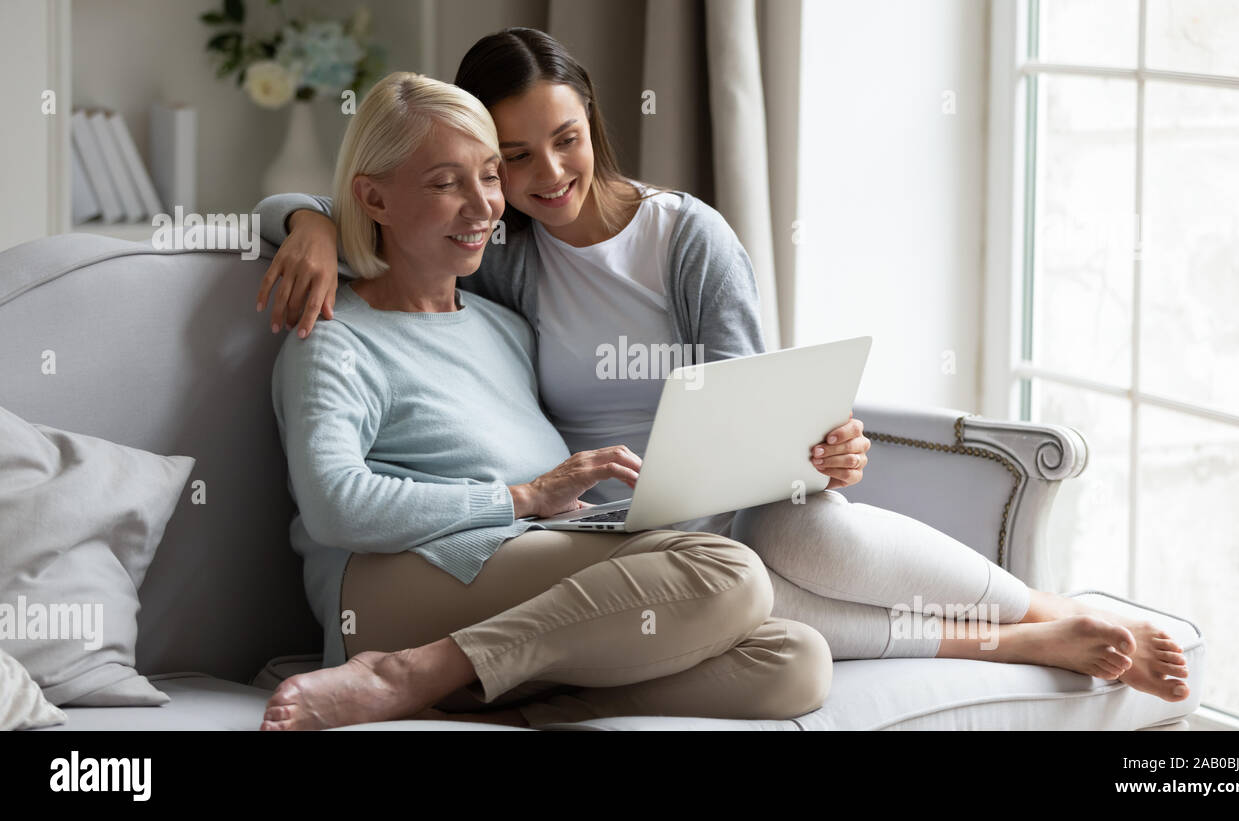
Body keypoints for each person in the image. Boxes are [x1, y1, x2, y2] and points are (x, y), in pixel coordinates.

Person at [255, 28, 1190, 705]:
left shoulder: (654, 245)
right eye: (506, 160)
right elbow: (366, 211)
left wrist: (812, 445)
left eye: (561, 141)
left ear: (595, 124)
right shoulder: (494, 265)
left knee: (797, 642)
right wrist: (310, 225)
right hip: (574, 536)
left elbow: (752, 403)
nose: (527, 184)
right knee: (737, 578)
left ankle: (1044, 610)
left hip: (669, 520)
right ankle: (425, 671)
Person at [260, 71, 834, 730]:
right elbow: (335, 506)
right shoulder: (332, 334)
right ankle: (406, 670)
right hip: (389, 583)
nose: (481, 207)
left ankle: (484, 691)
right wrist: (521, 498)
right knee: (726, 570)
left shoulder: (500, 323)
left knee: (795, 658)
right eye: (446, 183)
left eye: (488, 175)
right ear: (374, 199)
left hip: (513, 573)